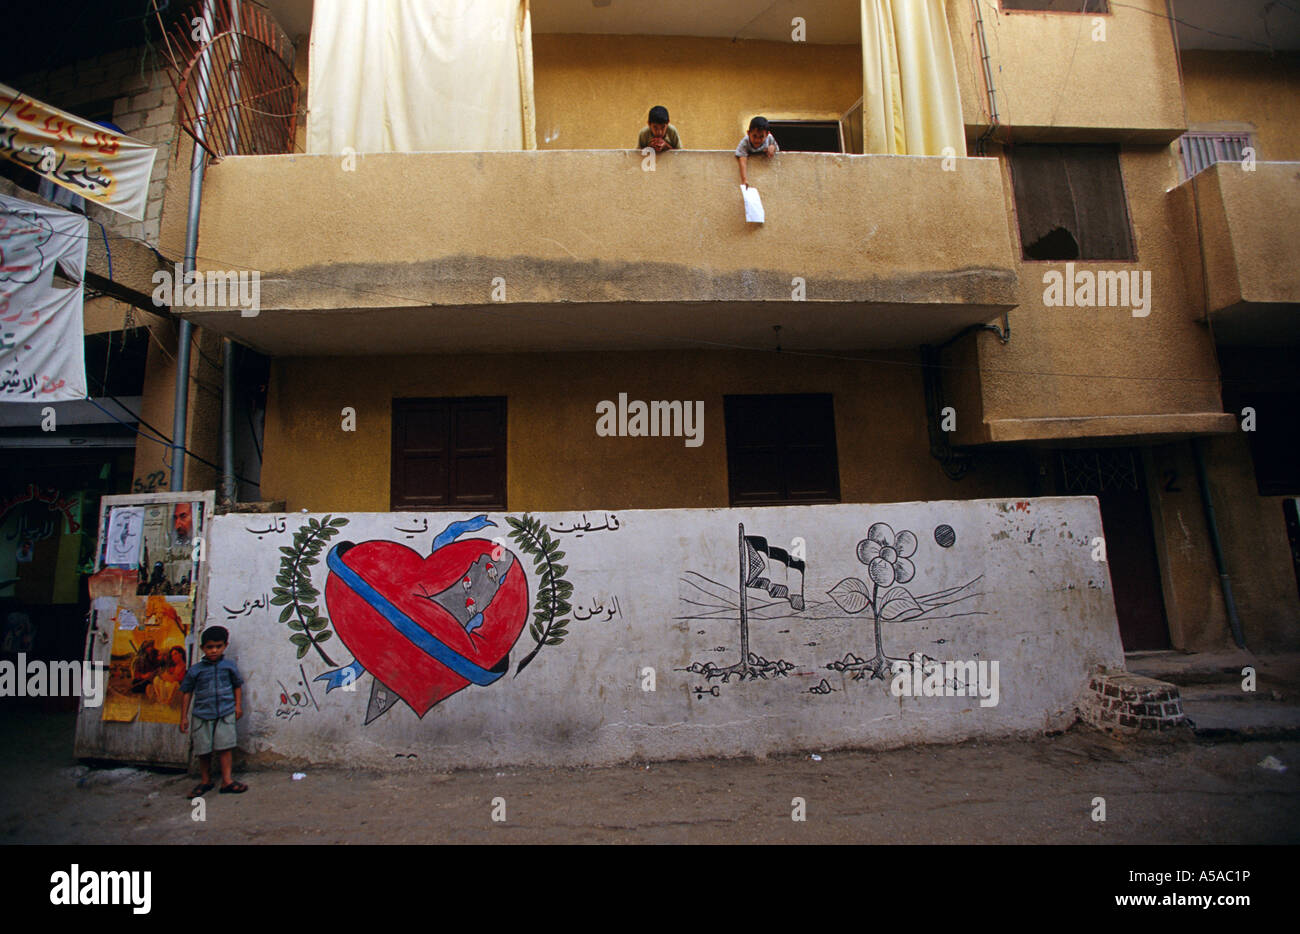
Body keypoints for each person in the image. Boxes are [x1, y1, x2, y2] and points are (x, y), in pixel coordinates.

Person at [180, 626, 247, 797]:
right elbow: (187, 692)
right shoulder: (196, 670)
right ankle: (205, 780)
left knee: (225, 747)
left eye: (218, 646)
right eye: (210, 647)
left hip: (225, 712)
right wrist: (184, 717)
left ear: (225, 646)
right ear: (203, 648)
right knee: (203, 750)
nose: (214, 651)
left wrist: (238, 706)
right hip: (202, 714)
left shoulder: (229, 667)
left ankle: (227, 780)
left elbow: (237, 686)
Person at [736, 115, 778, 188]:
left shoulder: (770, 139)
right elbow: (742, 158)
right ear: (748, 133)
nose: (757, 140)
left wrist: (772, 148)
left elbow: (777, 149)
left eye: (761, 137)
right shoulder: (745, 142)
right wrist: (744, 179)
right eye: (754, 136)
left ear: (767, 134)